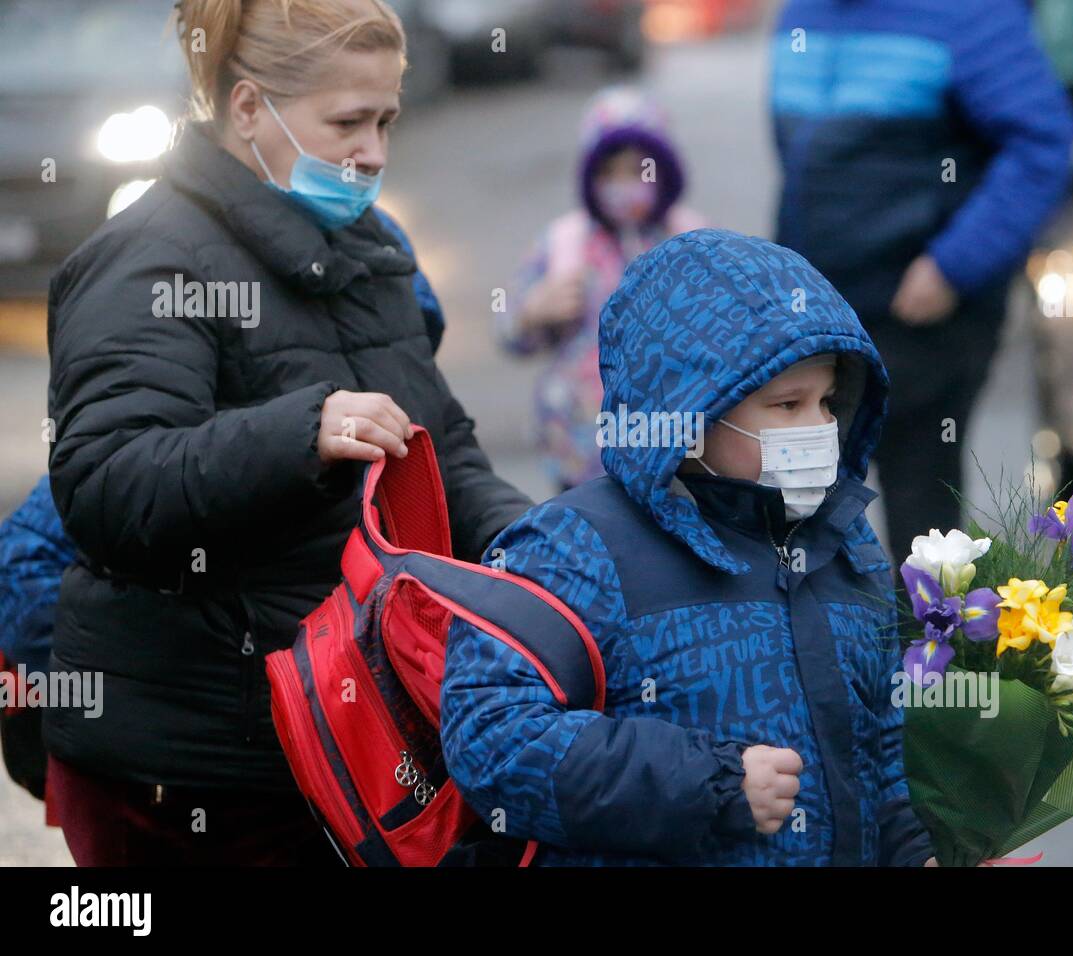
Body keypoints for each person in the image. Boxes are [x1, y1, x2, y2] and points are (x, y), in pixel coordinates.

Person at [41, 0, 531, 866]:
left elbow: (441, 449)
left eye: (385, 119)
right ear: (247, 109)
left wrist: (538, 553)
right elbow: (107, 484)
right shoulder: (149, 257)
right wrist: (303, 431)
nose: (374, 152)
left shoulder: (369, 248)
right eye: (347, 122)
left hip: (341, 742)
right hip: (191, 769)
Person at [440, 229, 938, 865]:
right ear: (688, 414)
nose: (818, 429)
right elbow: (493, 737)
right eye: (786, 404)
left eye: (828, 403)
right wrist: (708, 784)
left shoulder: (846, 543)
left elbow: (879, 758)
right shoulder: (572, 548)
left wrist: (913, 851)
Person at [769, 0, 1073, 572]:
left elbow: (1044, 145)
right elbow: (805, 159)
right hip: (816, 314)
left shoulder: (969, 14)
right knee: (796, 510)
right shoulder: (801, 13)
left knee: (921, 522)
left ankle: (927, 656)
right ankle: (826, 658)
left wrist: (953, 265)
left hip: (922, 312)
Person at [495, 86, 706, 494]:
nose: (623, 184)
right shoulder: (564, 242)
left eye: (638, 170)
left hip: (673, 452)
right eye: (609, 172)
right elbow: (508, 332)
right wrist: (533, 312)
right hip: (579, 453)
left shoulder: (690, 241)